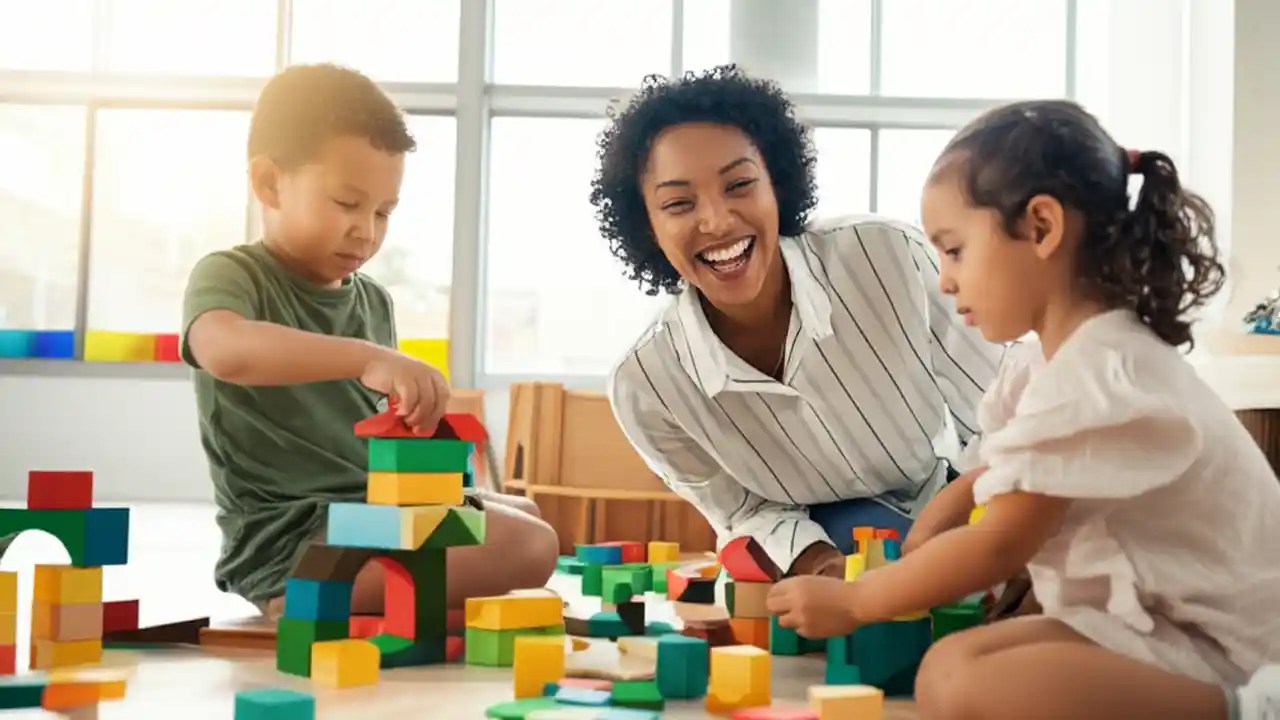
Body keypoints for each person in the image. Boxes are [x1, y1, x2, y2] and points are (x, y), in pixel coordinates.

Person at [766, 99, 1280, 720]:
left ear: (1041, 228)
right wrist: (942, 513)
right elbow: (1009, 476)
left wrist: (856, 601)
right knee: (950, 669)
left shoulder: (1101, 371)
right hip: (1159, 627)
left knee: (965, 687)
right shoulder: (1052, 365)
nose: (946, 280)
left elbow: (1000, 543)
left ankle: (1248, 710)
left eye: (954, 251)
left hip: (1234, 653)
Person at [595, 65, 1007, 581]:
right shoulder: (648, 386)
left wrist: (947, 534)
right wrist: (826, 570)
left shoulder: (889, 257)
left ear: (777, 186)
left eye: (740, 185)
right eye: (679, 204)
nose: (718, 221)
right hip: (817, 549)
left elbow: (1001, 423)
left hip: (953, 511)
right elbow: (744, 513)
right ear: (647, 226)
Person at [181, 63, 558, 620]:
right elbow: (225, 350)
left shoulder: (372, 301)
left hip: (367, 513)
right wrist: (366, 357)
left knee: (521, 509)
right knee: (531, 545)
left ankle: (394, 601)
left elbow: (370, 435)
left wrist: (420, 437)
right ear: (269, 183)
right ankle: (303, 596)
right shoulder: (231, 276)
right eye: (346, 203)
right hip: (295, 535)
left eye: (384, 212)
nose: (368, 230)